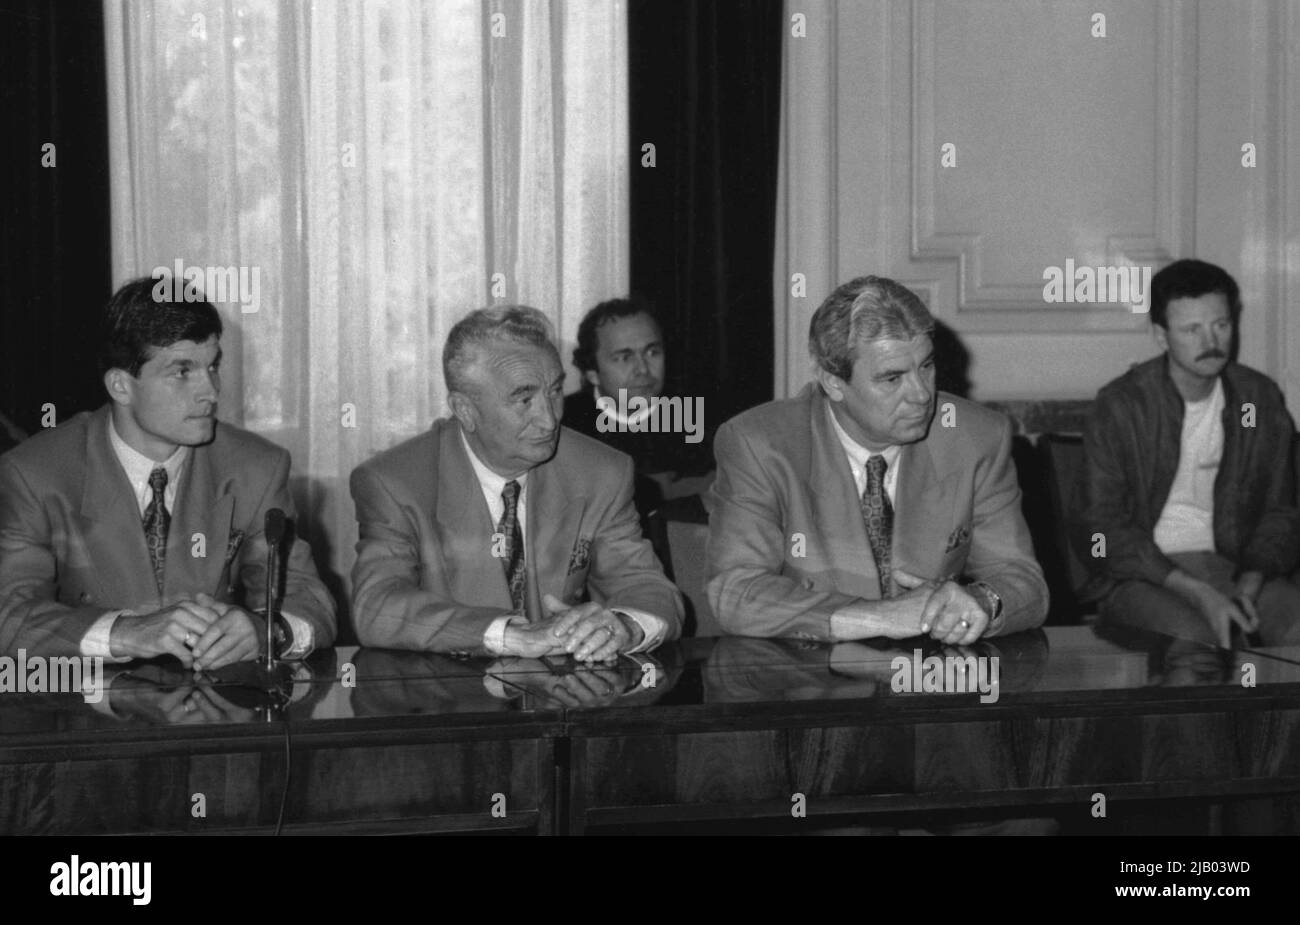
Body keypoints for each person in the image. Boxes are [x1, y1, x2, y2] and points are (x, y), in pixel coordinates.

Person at [0, 277, 336, 666]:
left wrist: (270, 631)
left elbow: (309, 600)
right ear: (121, 386)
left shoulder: (256, 467)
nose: (210, 391)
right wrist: (125, 633)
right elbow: (9, 614)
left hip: (214, 716)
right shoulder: (35, 473)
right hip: (86, 711)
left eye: (213, 367)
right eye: (182, 372)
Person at [707, 275, 1048, 642]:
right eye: (892, 379)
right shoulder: (759, 445)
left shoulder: (977, 438)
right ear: (833, 382)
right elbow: (737, 594)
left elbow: (1024, 582)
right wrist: (879, 619)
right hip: (806, 680)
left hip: (928, 683)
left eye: (927, 366)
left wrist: (982, 601)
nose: (921, 394)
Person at [350, 304, 683, 658]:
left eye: (554, 391)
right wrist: (508, 635)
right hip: (446, 695)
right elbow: (377, 606)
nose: (549, 420)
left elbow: (646, 587)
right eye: (524, 400)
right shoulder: (395, 481)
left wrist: (625, 625)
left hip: (562, 698)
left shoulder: (602, 471)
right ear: (465, 410)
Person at [1080, 258, 1300, 647]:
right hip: (1144, 574)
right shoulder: (1121, 406)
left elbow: (1280, 510)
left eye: (1221, 325)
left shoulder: (1257, 399)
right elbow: (1102, 526)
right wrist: (1200, 593)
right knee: (1196, 643)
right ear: (1161, 336)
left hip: (1236, 566)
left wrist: (1248, 585)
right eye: (1192, 330)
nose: (1211, 342)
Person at [563, 297, 713, 517]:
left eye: (652, 352)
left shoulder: (698, 419)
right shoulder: (564, 426)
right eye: (624, 357)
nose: (643, 369)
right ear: (591, 372)